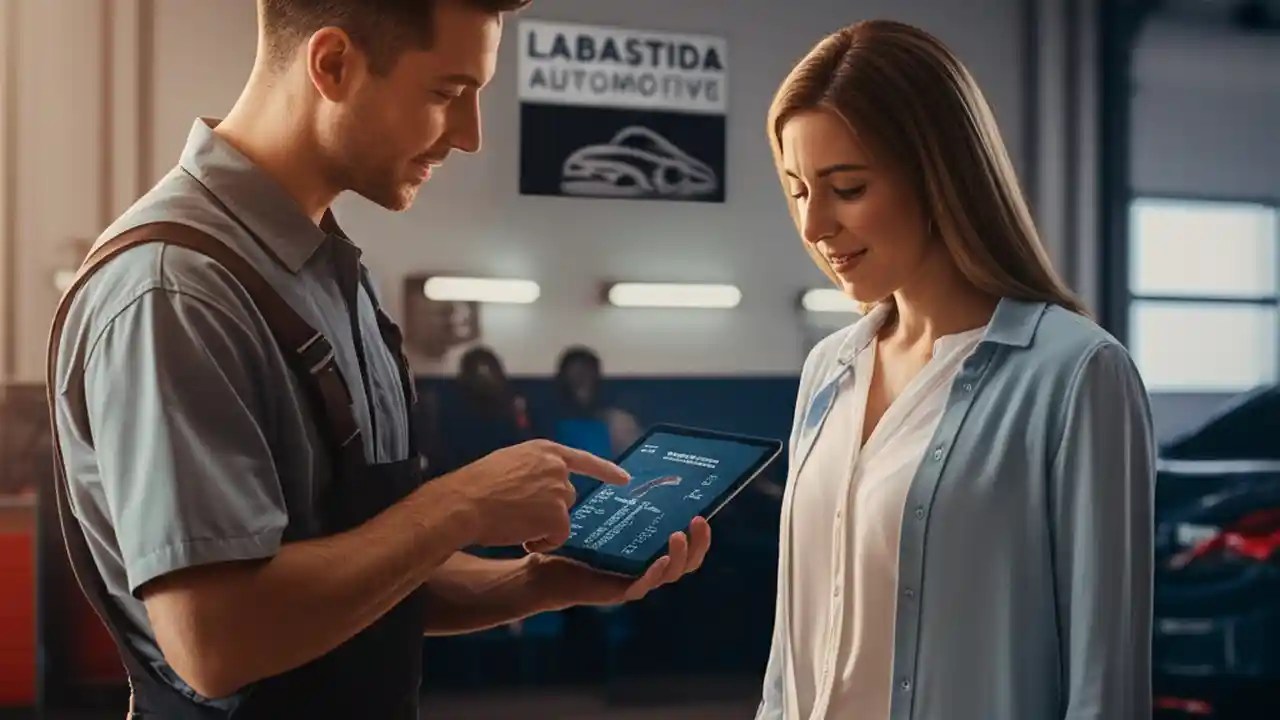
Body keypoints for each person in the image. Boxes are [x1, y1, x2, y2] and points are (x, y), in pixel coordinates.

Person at [46, 1, 711, 717]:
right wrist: (461, 504)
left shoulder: (326, 275)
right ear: (333, 64)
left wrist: (539, 582)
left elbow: (369, 569)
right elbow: (215, 640)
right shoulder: (176, 292)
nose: (470, 136)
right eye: (447, 93)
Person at [756, 20, 1155, 720]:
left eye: (847, 188)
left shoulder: (1078, 376)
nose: (814, 225)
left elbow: (1105, 683)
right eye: (797, 191)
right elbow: (792, 648)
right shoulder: (828, 368)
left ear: (939, 175)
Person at [546, 346, 642, 495]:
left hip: (603, 491)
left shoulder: (615, 420)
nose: (581, 383)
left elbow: (634, 465)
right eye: (576, 377)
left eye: (585, 376)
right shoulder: (549, 422)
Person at [435, 345, 532, 474]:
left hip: (500, 473)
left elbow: (523, 446)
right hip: (473, 475)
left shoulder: (511, 407)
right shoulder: (454, 410)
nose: (484, 378)